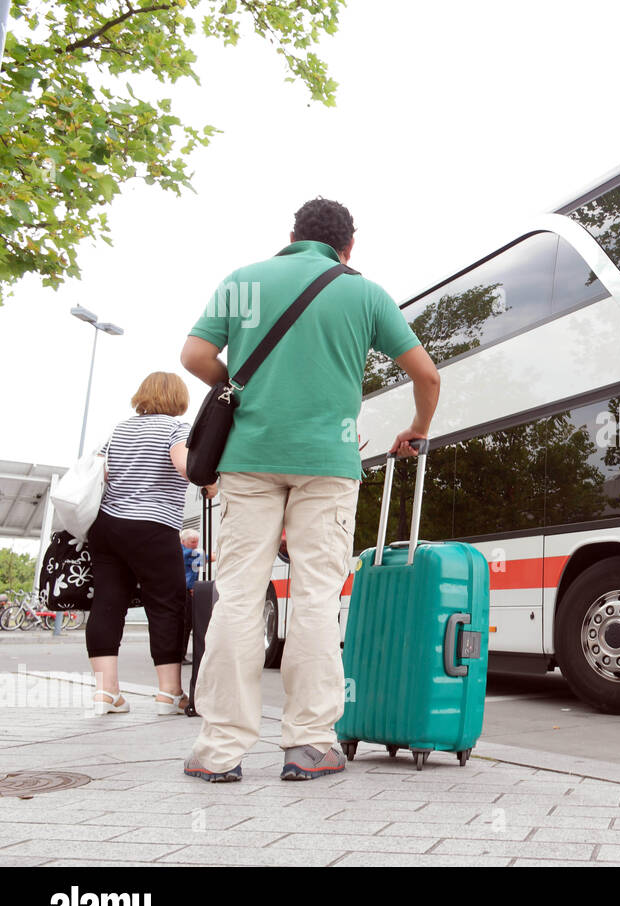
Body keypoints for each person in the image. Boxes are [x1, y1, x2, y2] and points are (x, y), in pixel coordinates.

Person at [180, 197, 440, 783]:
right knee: (318, 598)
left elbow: (194, 355)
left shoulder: (244, 280)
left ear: (292, 235)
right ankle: (309, 745)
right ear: (348, 247)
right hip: (328, 462)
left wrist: (240, 384)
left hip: (248, 462)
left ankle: (218, 750)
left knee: (240, 597)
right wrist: (416, 429)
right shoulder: (364, 292)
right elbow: (426, 374)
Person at [85, 372, 194, 717]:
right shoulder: (176, 428)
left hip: (106, 525)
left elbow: (98, 473)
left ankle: (106, 692)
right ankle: (169, 694)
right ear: (178, 399)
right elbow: (184, 466)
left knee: (106, 603)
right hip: (151, 527)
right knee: (166, 604)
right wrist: (208, 477)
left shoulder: (120, 429)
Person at [179, 529, 204, 665]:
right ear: (183, 542)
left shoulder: (190, 552)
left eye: (197, 542)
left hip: (189, 590)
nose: (195, 544)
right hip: (184, 591)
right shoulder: (185, 552)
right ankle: (180, 655)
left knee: (188, 623)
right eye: (192, 542)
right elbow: (205, 557)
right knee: (185, 623)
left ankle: (181, 654)